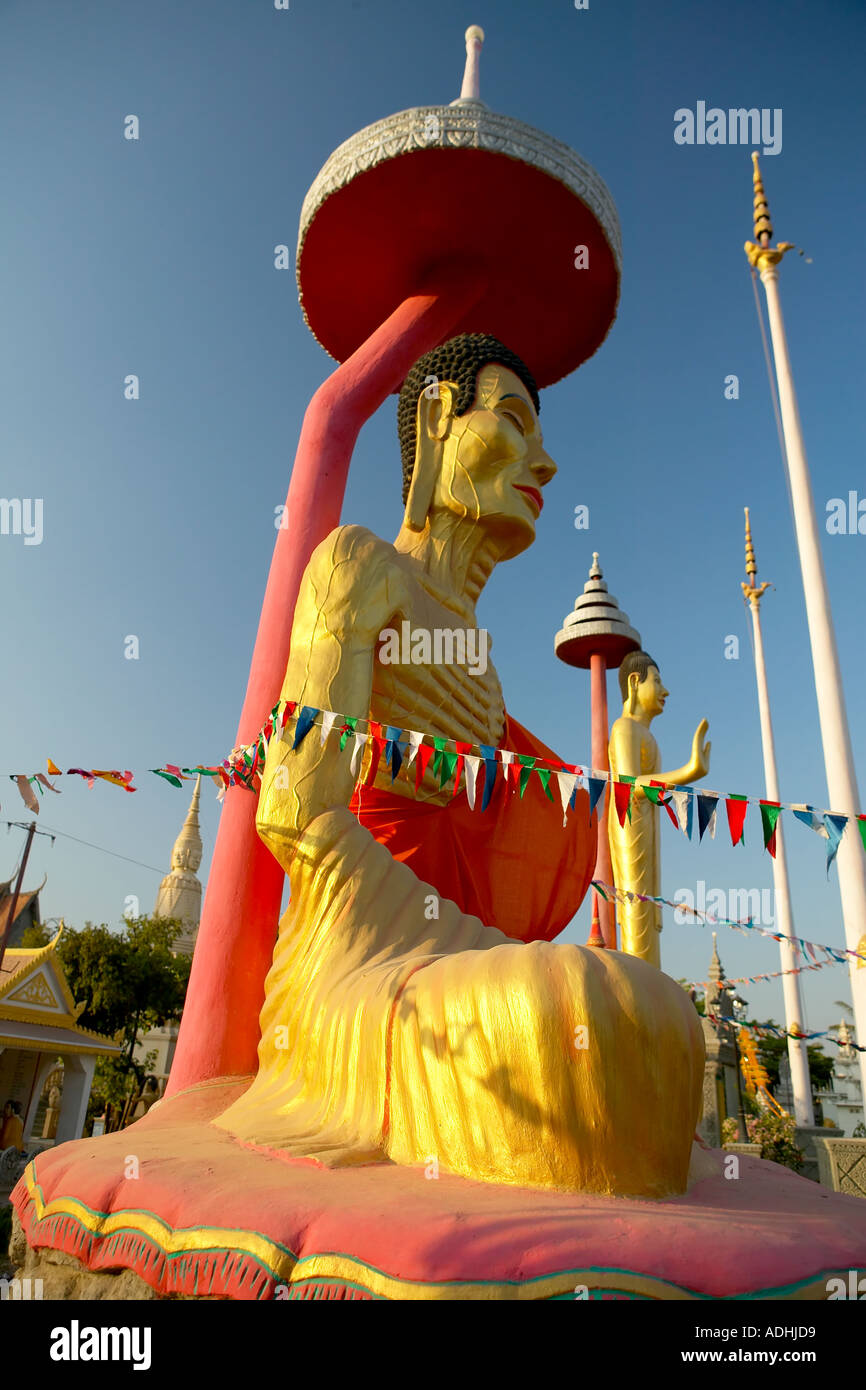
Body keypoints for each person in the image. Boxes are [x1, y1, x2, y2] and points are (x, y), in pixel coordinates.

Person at [215, 334, 704, 1197]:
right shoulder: (356, 567)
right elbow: (294, 810)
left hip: (452, 945)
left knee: (656, 1008)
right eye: (514, 422)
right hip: (357, 953)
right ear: (438, 419)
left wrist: (474, 935)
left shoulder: (480, 661)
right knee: (580, 1015)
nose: (545, 465)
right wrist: (440, 929)